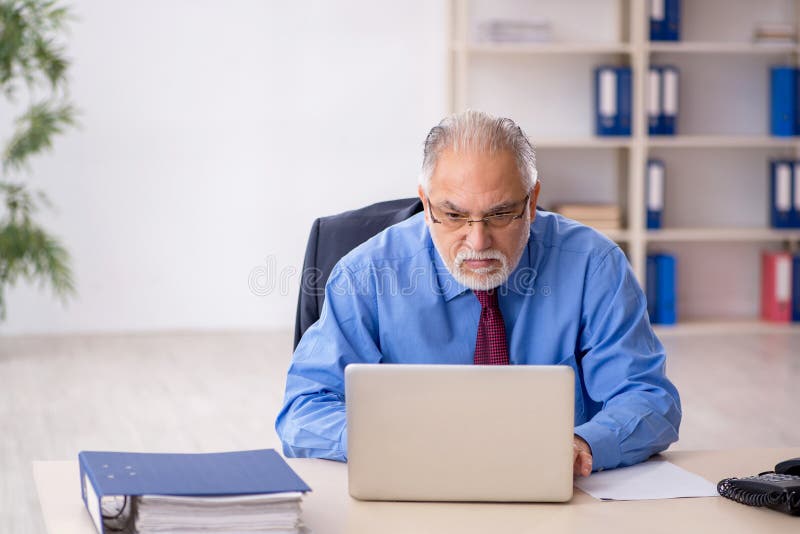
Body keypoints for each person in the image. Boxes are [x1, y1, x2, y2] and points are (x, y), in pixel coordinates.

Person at [275, 110, 681, 477]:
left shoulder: (594, 265)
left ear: (532, 200)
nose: (477, 241)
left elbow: (649, 399)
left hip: (554, 493)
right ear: (425, 201)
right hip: (414, 485)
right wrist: (393, 444)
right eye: (453, 215)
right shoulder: (366, 275)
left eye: (500, 213)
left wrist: (585, 444)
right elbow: (304, 411)